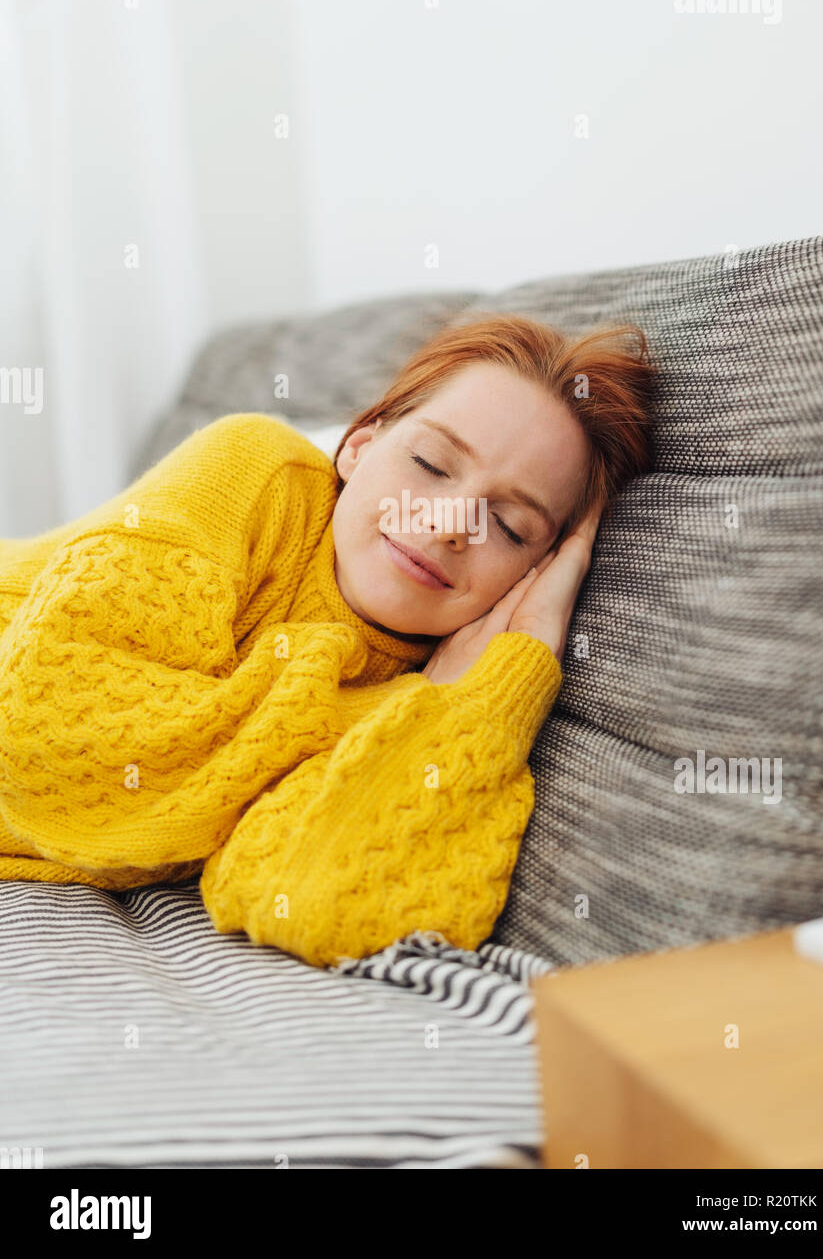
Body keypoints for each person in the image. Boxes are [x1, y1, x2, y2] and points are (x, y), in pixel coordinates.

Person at [0, 312, 655, 967]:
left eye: (509, 527)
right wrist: (373, 713)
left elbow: (306, 900)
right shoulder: (250, 473)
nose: (450, 523)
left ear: (533, 576)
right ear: (360, 446)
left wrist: (495, 687)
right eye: (430, 464)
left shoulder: (441, 694)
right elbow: (35, 736)